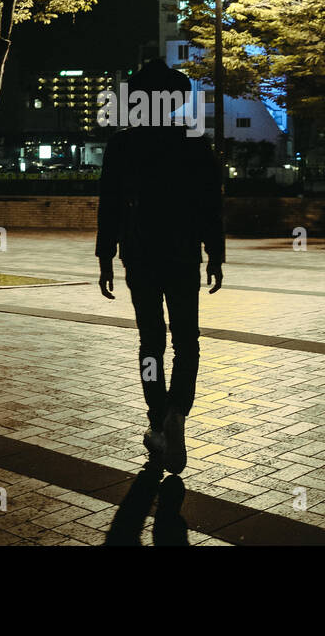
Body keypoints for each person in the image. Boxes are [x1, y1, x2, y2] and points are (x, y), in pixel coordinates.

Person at [96, 59, 224, 475]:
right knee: (188, 341)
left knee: (151, 342)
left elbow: (109, 207)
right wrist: (216, 254)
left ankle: (157, 421)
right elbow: (210, 205)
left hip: (140, 255)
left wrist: (105, 258)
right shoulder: (194, 143)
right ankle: (178, 413)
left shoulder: (123, 145)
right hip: (184, 254)